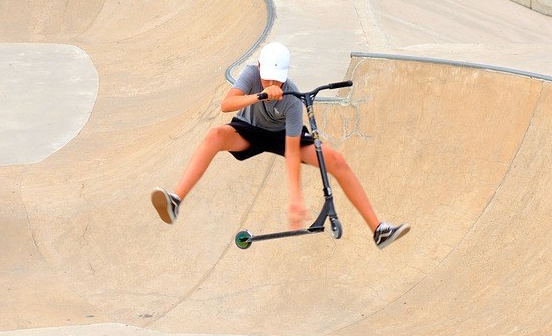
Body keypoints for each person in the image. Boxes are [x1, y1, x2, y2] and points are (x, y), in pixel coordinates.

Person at [151, 42, 410, 250]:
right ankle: (176, 200)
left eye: (277, 80)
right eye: (267, 79)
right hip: (248, 131)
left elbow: (292, 150)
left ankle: (378, 229)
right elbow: (226, 105)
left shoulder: (292, 99)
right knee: (214, 135)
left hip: (282, 135)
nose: (273, 84)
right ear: (260, 68)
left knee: (337, 161)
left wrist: (295, 199)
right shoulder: (252, 74)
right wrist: (260, 94)